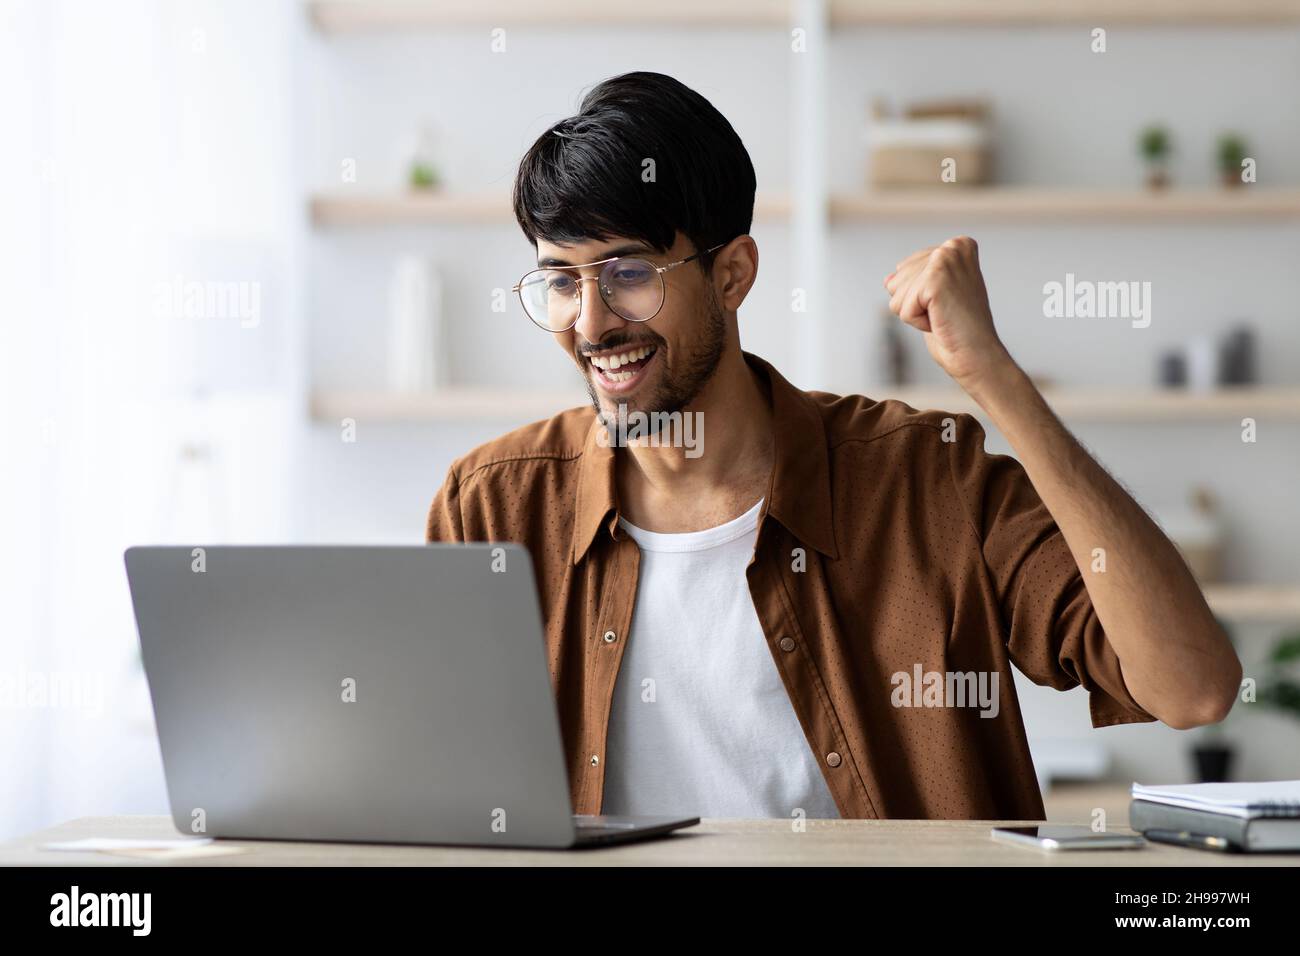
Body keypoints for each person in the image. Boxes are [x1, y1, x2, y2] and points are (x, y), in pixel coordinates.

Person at [425, 71, 1240, 820]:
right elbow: (431, 787)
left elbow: (1193, 689)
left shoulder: (926, 478)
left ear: (733, 274)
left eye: (629, 273)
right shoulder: (493, 504)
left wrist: (991, 375)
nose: (593, 322)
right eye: (563, 281)